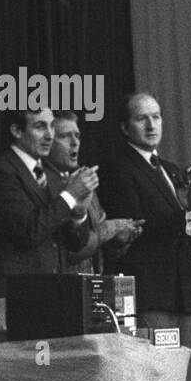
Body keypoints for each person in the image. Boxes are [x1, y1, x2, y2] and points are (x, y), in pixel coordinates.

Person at [100, 92, 191, 351]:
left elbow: (184, 229)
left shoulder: (171, 169)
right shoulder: (118, 167)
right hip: (148, 293)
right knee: (157, 377)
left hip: (182, 292)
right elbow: (136, 227)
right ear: (125, 127)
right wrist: (188, 210)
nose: (151, 125)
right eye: (142, 118)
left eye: (156, 117)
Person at [0, 108, 96, 300]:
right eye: (40, 127)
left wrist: (79, 213)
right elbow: (28, 231)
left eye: (52, 126)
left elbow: (75, 244)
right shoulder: (1, 173)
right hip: (16, 296)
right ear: (17, 131)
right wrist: (70, 195)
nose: (50, 135)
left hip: (51, 294)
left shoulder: (52, 176)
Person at [45, 109, 142, 274]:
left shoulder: (84, 178)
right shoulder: (42, 184)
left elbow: (102, 252)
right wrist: (106, 231)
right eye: (64, 136)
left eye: (77, 135)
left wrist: (118, 241)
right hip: (60, 289)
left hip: (92, 288)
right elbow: (63, 252)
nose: (75, 142)